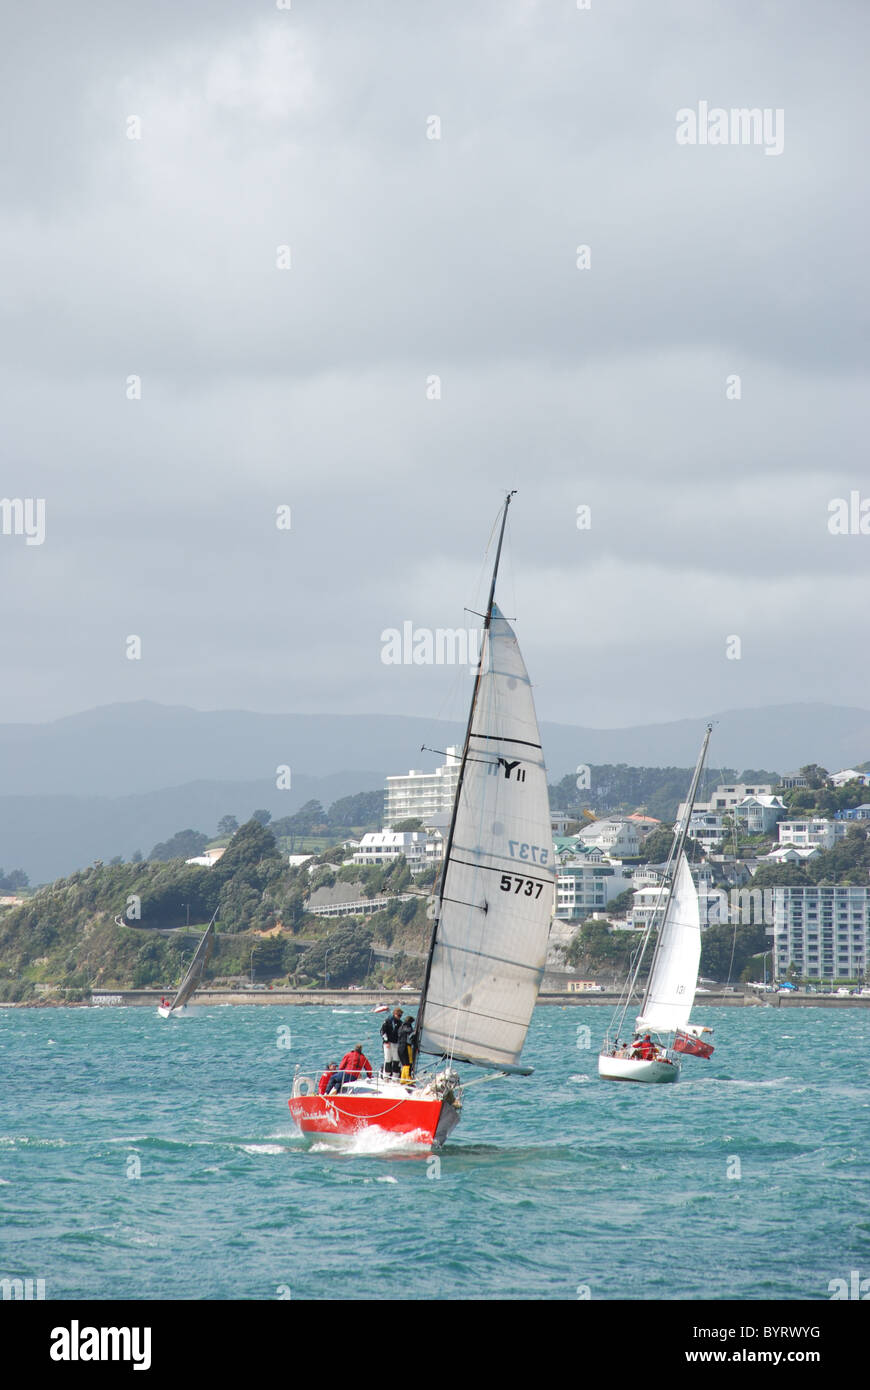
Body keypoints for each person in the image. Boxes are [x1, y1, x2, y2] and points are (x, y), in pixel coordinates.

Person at [380, 1006, 403, 1079]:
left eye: (401, 1016)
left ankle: (395, 1077)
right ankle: (386, 1076)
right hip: (388, 1043)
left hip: (396, 1043)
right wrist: (386, 1040)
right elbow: (382, 1031)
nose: (399, 1017)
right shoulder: (388, 1021)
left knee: (396, 1059)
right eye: (398, 1015)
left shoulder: (400, 1023)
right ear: (395, 1013)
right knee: (388, 1059)